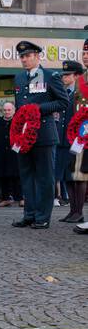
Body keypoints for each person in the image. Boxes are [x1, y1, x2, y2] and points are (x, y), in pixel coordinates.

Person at [11, 40, 71, 230]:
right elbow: (19, 106)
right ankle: (29, 214)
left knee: (45, 177)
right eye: (22, 56)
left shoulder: (50, 76)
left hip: (44, 133)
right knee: (26, 176)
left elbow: (63, 102)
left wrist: (38, 109)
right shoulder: (19, 78)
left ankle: (42, 216)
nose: (25, 59)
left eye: (28, 56)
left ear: (37, 57)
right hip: (23, 136)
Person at [62, 61, 88, 225]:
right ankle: (72, 210)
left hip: (79, 138)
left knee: (79, 176)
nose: (64, 77)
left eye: (67, 75)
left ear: (77, 76)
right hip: (65, 138)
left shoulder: (81, 91)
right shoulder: (65, 92)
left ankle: (79, 211)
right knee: (68, 176)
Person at [0, 101, 21, 206]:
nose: (7, 112)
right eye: (5, 110)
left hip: (15, 153)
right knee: (3, 177)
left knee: (17, 176)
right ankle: (5, 198)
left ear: (13, 110)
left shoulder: (18, 121)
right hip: (1, 153)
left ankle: (21, 198)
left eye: (9, 110)